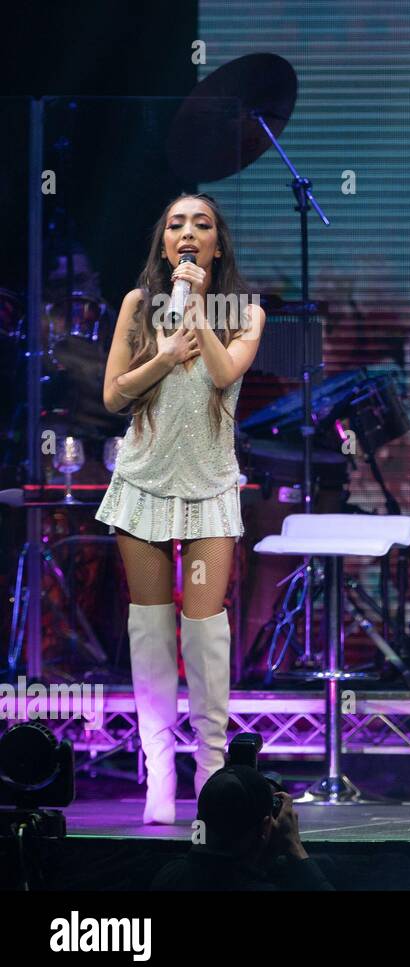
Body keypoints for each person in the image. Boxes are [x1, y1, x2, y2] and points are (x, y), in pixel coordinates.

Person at [97, 193, 264, 824]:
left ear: (217, 245)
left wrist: (195, 306)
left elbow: (223, 376)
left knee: (203, 630)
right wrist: (164, 356)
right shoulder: (139, 306)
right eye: (176, 225)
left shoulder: (245, 312)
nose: (188, 234)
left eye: (202, 225)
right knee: (150, 631)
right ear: (163, 243)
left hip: (209, 490)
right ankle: (159, 774)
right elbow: (114, 395)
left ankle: (212, 773)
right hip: (142, 487)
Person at [152, 765, 333, 891]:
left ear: (199, 824)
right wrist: (296, 848)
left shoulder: (169, 877)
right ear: (265, 827)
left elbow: (203, 864)